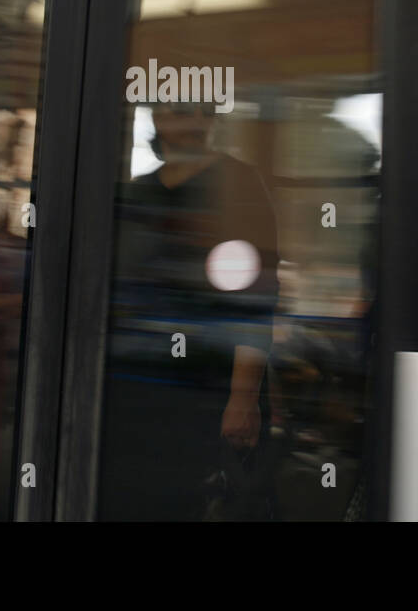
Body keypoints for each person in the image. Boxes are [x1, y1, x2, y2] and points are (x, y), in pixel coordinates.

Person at [99, 99, 279, 520]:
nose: (197, 121)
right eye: (182, 110)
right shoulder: (137, 191)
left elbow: (258, 298)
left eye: (205, 111)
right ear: (158, 118)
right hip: (141, 385)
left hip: (208, 387)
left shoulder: (239, 184)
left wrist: (242, 396)